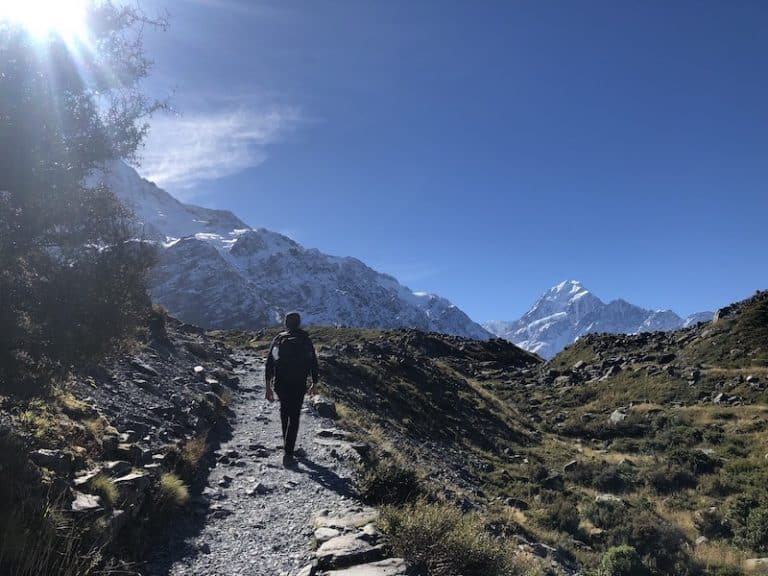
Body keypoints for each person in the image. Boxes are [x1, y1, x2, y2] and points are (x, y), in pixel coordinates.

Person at [265, 311, 319, 467]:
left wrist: (268, 386)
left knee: (284, 412)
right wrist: (314, 383)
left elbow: (270, 362)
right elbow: (312, 362)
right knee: (294, 416)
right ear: (299, 323)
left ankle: (286, 445)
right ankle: (288, 451)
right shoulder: (305, 340)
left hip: (281, 383)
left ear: (286, 323)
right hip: (298, 383)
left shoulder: (279, 339)